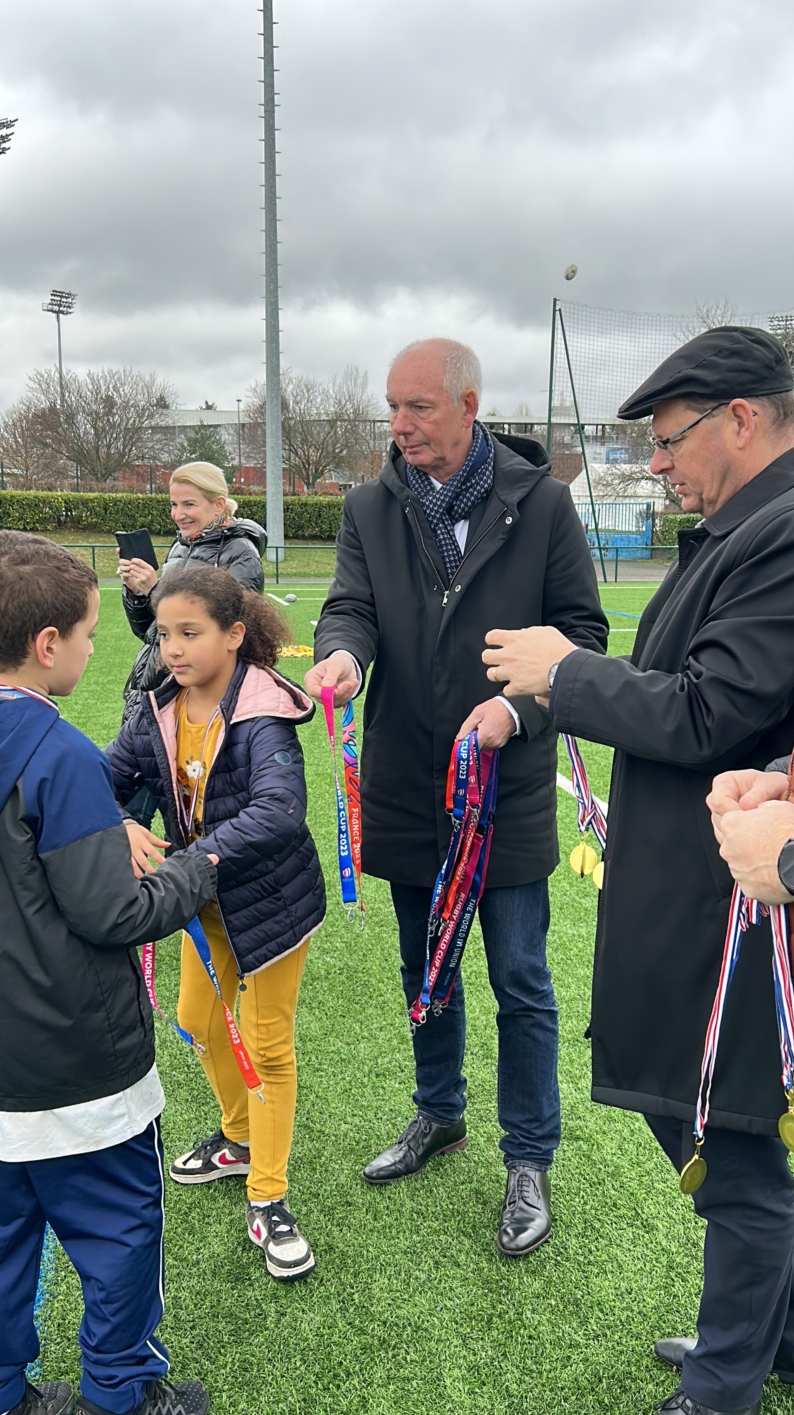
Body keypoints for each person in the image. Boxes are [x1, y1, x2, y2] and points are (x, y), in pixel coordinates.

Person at [483, 327, 794, 1415]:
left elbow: (710, 713)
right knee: (696, 1114)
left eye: (671, 439)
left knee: (729, 1140)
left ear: (741, 418)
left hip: (734, 905)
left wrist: (567, 673)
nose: (659, 463)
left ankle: (724, 1388)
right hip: (694, 886)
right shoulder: (752, 521)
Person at [305, 337, 608, 1255]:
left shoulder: (543, 504)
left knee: (520, 980)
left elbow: (581, 634)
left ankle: (529, 1157)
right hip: (405, 781)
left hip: (504, 788)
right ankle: (439, 1113)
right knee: (423, 969)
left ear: (469, 407)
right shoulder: (369, 504)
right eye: (392, 409)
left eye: (419, 408)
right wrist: (344, 655)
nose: (399, 426)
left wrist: (517, 713)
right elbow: (351, 606)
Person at [0, 538, 219, 1415]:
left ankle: (6, 1406)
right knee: (121, 1229)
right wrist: (196, 869)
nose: (98, 650)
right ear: (47, 644)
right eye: (92, 634)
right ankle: (118, 1403)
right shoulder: (56, 752)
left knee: (5, 1239)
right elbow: (112, 913)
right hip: (77, 1066)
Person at [107, 566, 326, 1281]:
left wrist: (191, 862)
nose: (172, 648)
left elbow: (279, 810)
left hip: (270, 906)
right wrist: (121, 822)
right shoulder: (158, 709)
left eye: (189, 633)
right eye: (164, 633)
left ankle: (270, 1197)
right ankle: (239, 1136)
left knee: (267, 1048)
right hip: (203, 905)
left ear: (234, 635)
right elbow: (102, 780)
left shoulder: (262, 709)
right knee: (197, 1023)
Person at [118, 462, 267, 829]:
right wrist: (138, 594)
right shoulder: (179, 549)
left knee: (188, 822)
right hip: (151, 693)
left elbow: (231, 634)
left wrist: (156, 591)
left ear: (218, 505)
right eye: (174, 504)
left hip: (194, 706)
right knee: (119, 818)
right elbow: (151, 632)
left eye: (189, 504)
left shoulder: (240, 554)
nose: (178, 514)